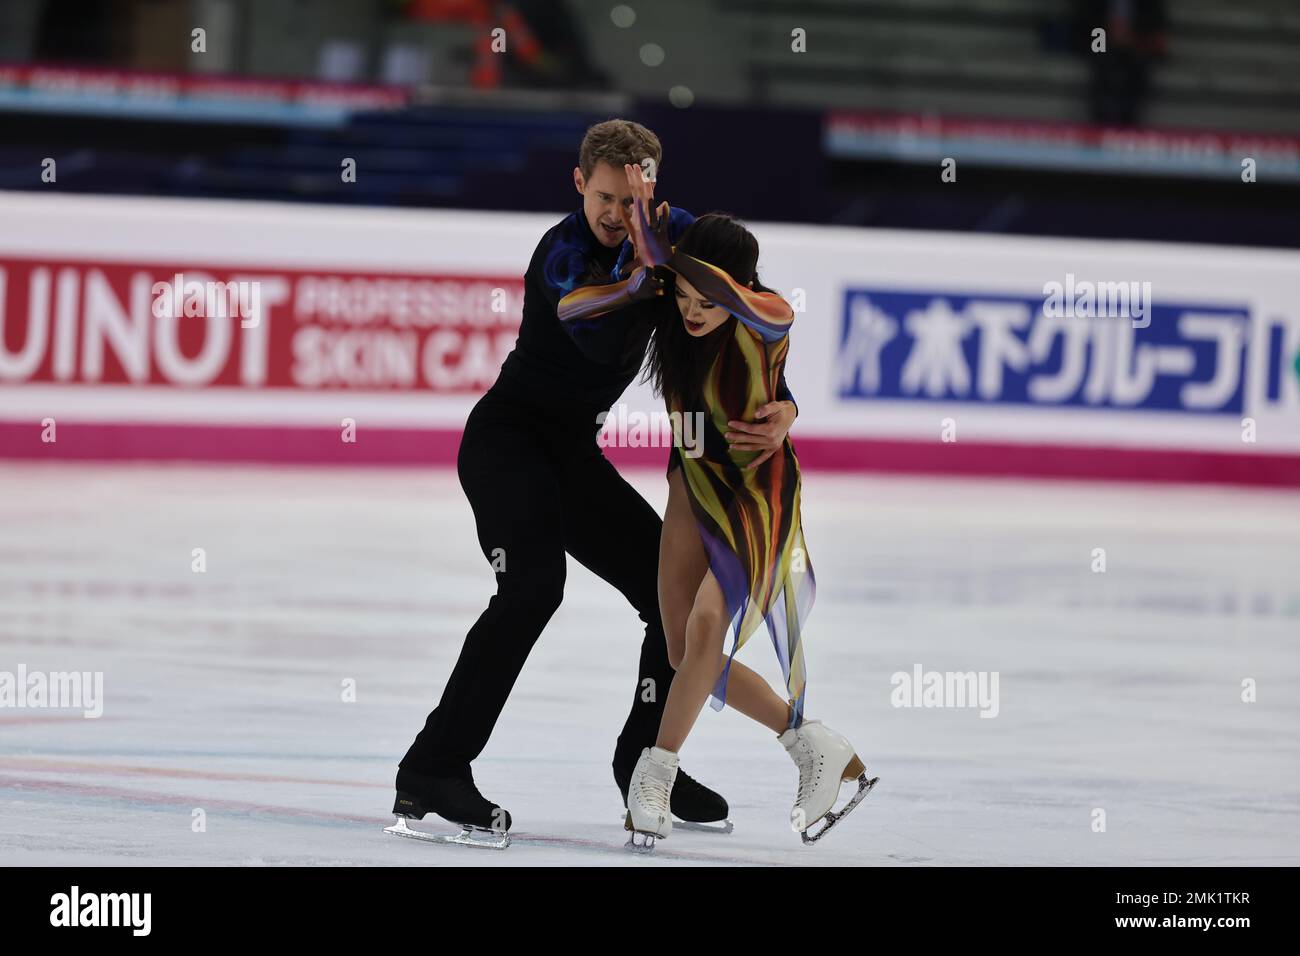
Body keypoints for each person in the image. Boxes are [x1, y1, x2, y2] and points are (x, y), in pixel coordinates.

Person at [389, 120, 799, 847]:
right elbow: (587, 316)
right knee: (533, 588)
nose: (615, 212)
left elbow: (753, 309)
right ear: (579, 183)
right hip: (507, 443)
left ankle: (643, 765)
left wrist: (785, 405)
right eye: (603, 196)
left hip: (572, 453)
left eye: (628, 197)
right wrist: (644, 271)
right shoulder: (563, 252)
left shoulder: (673, 235)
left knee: (664, 597)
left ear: (651, 188)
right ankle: (433, 768)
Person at [557, 167, 877, 849]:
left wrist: (676, 258)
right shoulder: (669, 309)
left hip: (759, 496)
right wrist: (649, 277)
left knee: (708, 626)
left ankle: (655, 774)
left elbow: (749, 302)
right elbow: (569, 311)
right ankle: (809, 743)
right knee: (683, 651)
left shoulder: (768, 320)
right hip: (689, 488)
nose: (694, 308)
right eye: (687, 295)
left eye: (709, 294)